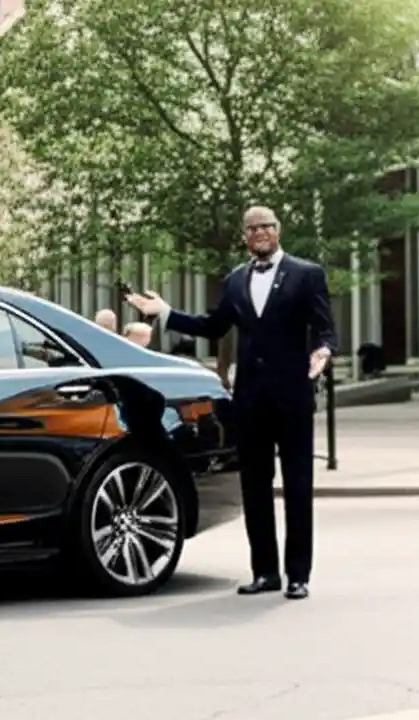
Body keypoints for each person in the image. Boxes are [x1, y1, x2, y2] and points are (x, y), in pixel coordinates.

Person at [125, 205, 337, 601]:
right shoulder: (236, 280)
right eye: (252, 228)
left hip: (292, 397)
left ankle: (297, 575)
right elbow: (212, 325)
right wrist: (165, 313)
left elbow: (325, 328)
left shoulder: (307, 275)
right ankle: (265, 573)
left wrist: (323, 352)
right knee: (254, 488)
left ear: (278, 231)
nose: (259, 232)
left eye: (266, 226)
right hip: (251, 401)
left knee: (297, 487)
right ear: (245, 236)